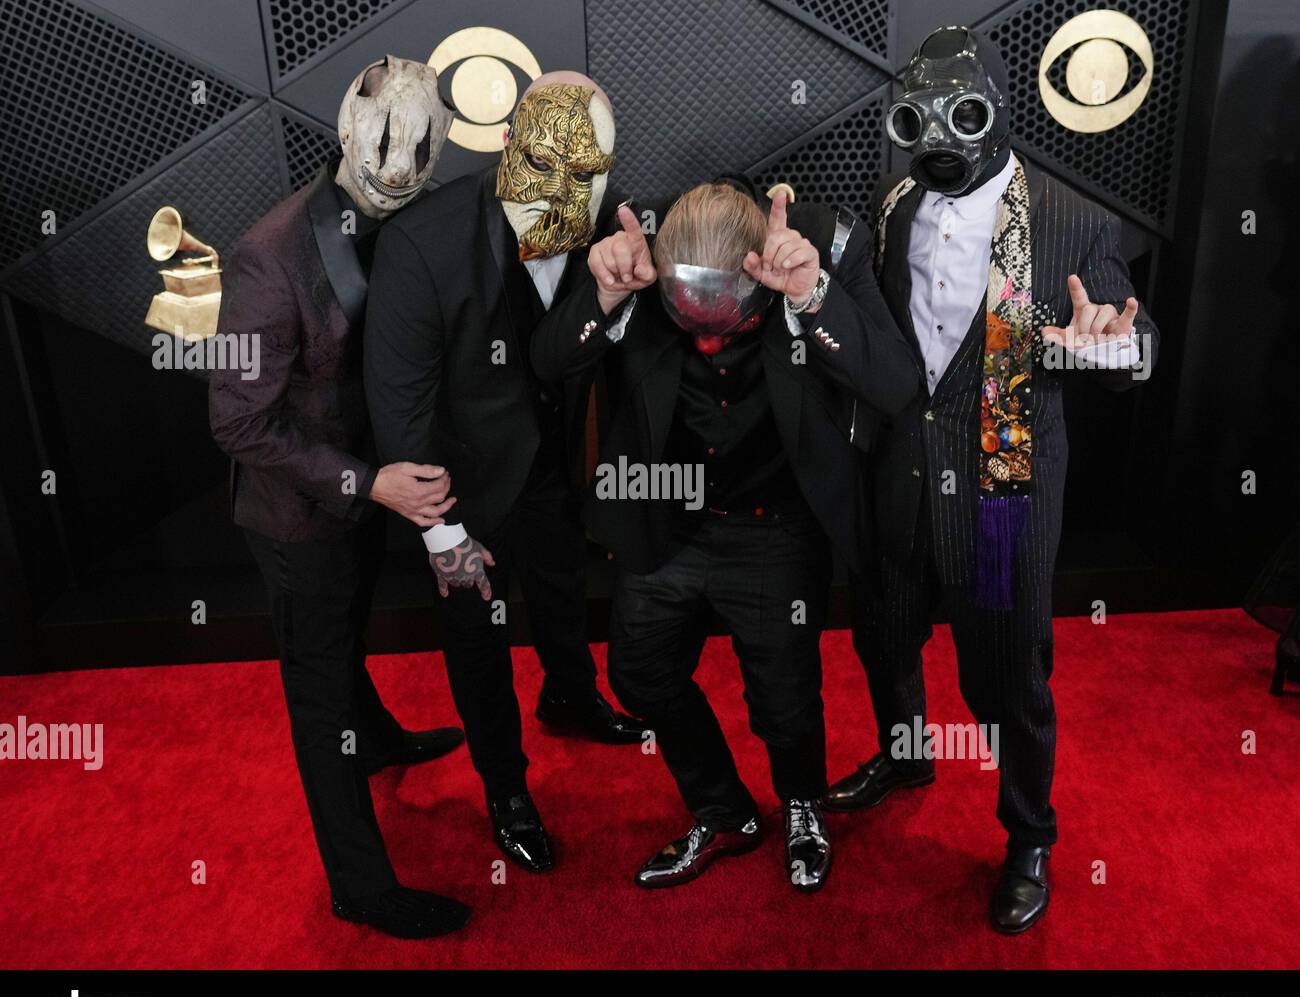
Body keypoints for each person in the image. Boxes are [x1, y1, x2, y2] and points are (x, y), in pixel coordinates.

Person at [822, 27, 1159, 933]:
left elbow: (1138, 345)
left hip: (1005, 486)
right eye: (920, 119)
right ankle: (907, 755)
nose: (942, 139)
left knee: (1008, 674)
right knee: (885, 636)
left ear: (1000, 112)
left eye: (964, 116)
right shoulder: (893, 204)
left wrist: (1110, 345)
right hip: (897, 468)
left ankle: (1028, 835)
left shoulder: (1072, 220)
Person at [531, 178, 915, 892]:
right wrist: (607, 299)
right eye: (688, 320)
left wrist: (812, 296)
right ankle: (725, 810)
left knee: (785, 698)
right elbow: (549, 363)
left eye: (728, 323)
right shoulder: (639, 257)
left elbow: (896, 384)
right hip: (666, 517)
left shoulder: (821, 249)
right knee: (637, 675)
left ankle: (802, 806)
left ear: (758, 266)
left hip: (777, 524)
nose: (707, 337)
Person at [209, 56, 469, 939]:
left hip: (368, 497)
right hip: (299, 517)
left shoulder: (411, 217)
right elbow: (237, 425)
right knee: (318, 692)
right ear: (348, 138)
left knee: (347, 636)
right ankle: (360, 887)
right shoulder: (267, 257)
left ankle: (383, 740)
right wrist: (367, 483)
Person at [364, 72, 643, 877]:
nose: (565, 191)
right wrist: (443, 534)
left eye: (584, 174)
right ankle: (505, 786)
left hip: (554, 463)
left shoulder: (607, 209)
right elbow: (401, 404)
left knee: (562, 588)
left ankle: (571, 695)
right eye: (544, 165)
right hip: (463, 486)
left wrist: (613, 300)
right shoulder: (425, 242)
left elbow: (585, 343)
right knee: (478, 642)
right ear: (508, 145)